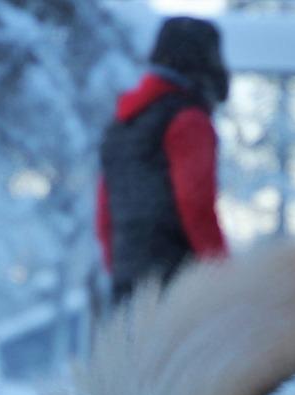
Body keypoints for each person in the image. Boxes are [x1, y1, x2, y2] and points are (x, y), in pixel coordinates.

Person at [97, 16, 230, 307]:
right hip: (179, 287)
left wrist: (121, 272)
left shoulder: (122, 124)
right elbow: (196, 206)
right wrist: (222, 277)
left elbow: (105, 216)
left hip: (127, 288)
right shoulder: (188, 120)